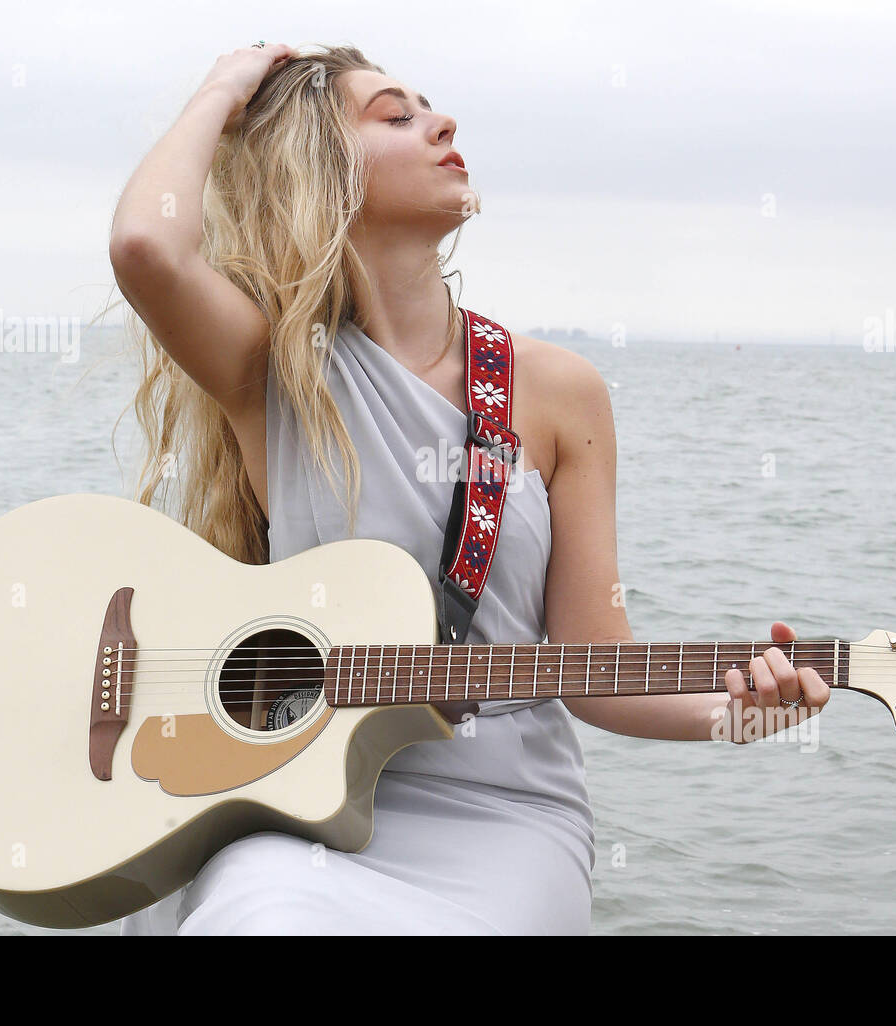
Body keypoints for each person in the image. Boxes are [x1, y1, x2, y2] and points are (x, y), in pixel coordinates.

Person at [106, 42, 831, 935]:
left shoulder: (559, 392)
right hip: (291, 815)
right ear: (318, 168)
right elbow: (145, 244)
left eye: (434, 109)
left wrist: (733, 716)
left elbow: (597, 670)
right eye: (395, 116)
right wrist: (224, 90)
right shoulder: (274, 372)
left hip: (505, 820)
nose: (443, 124)